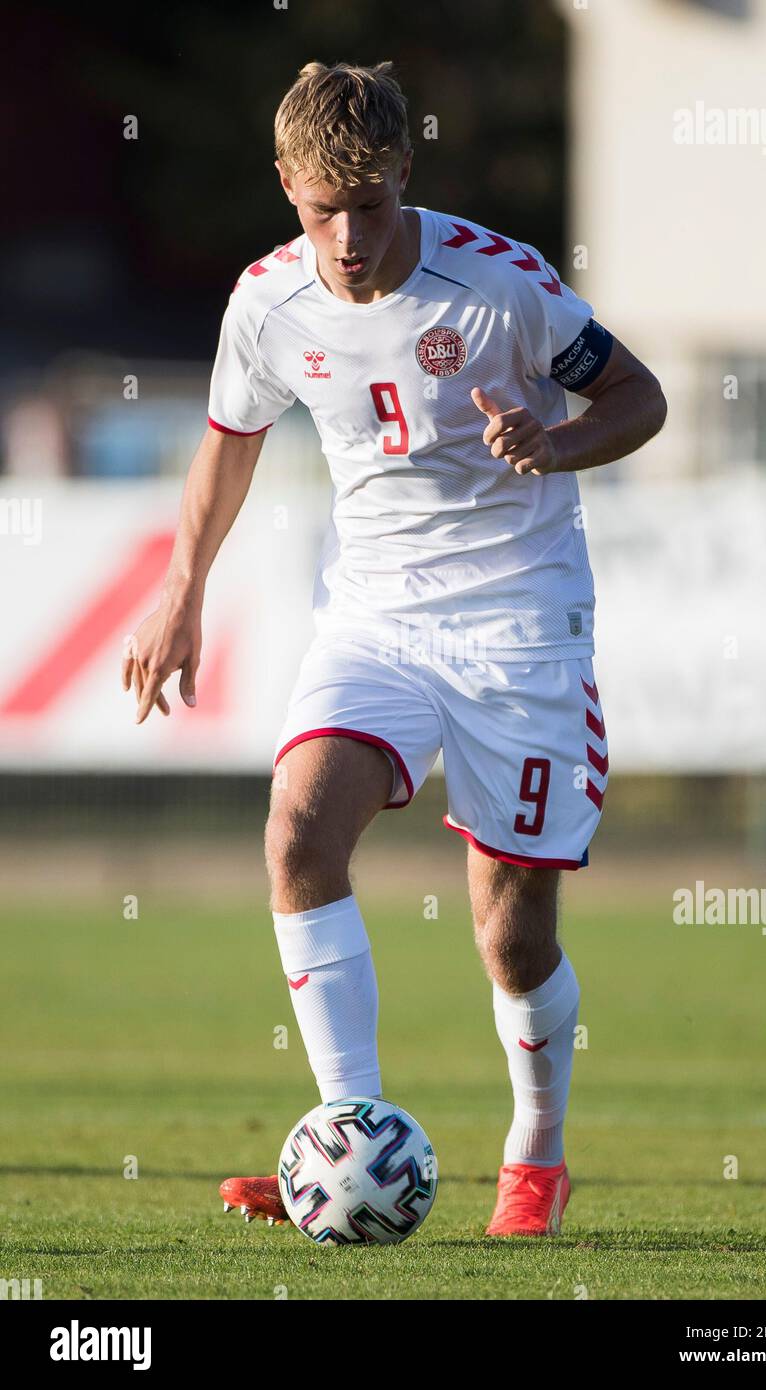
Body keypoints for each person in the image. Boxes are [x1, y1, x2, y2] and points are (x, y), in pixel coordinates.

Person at [122, 60, 667, 1238]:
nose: (352, 233)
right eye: (326, 207)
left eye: (372, 204)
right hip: (373, 617)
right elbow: (228, 441)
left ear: (405, 175)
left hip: (520, 623)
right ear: (286, 187)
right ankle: (346, 1141)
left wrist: (555, 443)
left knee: (511, 935)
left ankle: (536, 1154)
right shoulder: (266, 302)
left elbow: (641, 397)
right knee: (299, 831)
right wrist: (182, 592)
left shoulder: (502, 285)